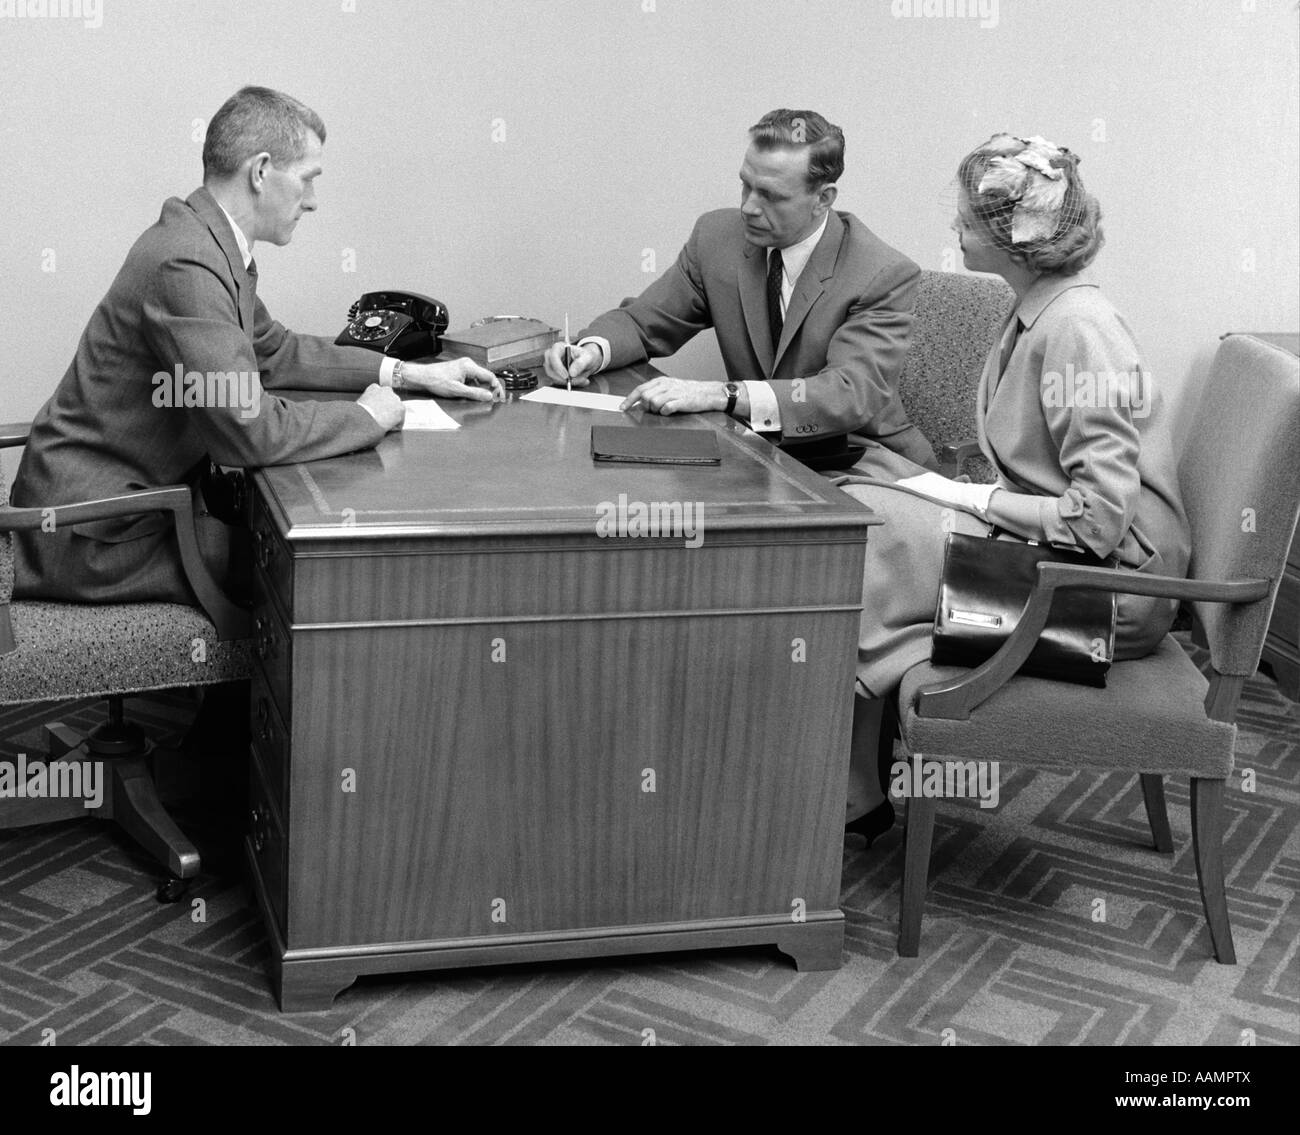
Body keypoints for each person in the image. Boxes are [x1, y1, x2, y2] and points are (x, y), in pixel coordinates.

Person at [11, 86, 502, 606]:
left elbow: (275, 351)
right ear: (261, 171)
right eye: (308, 179)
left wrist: (407, 374)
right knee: (312, 578)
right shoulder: (188, 262)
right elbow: (250, 431)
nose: (312, 201)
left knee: (296, 556)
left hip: (119, 509)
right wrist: (367, 418)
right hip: (92, 535)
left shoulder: (207, 242)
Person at [840, 133, 1190, 844]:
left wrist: (969, 500)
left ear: (1012, 238)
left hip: (1109, 593)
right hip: (1064, 563)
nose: (956, 228)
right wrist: (938, 486)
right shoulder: (1040, 308)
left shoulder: (1079, 330)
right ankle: (859, 775)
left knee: (866, 529)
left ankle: (853, 786)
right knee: (868, 488)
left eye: (968, 219)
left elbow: (1096, 522)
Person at [542, 109, 937, 472]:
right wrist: (590, 351)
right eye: (745, 186)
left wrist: (724, 394)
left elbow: (847, 395)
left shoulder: (881, 272)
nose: (748, 206)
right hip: (758, 453)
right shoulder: (718, 238)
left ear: (823, 199)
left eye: (770, 195)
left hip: (857, 460)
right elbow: (645, 322)